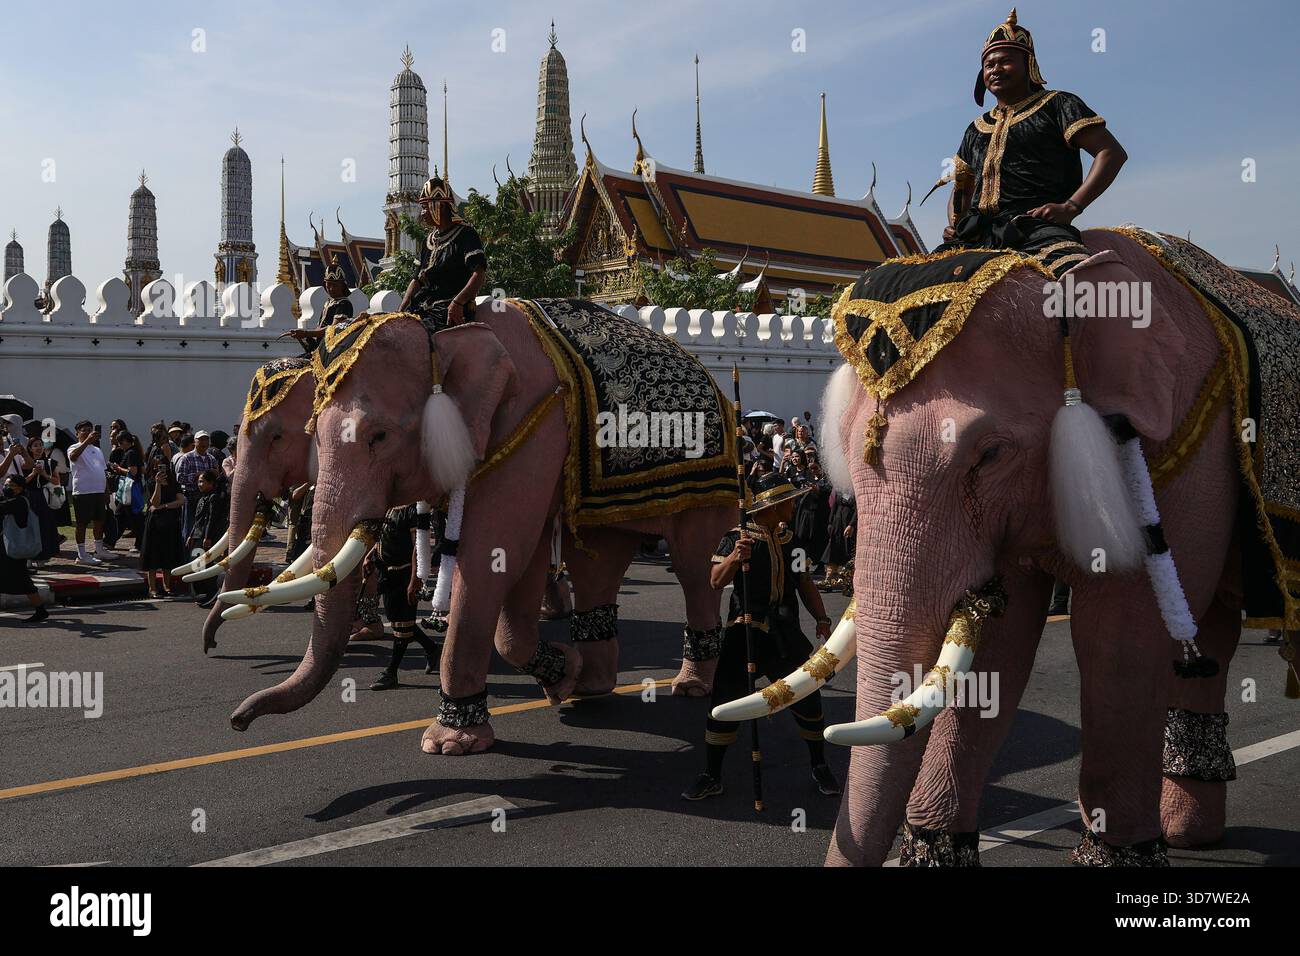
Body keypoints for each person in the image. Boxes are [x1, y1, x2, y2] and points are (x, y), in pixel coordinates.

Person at [930, 8, 1127, 278]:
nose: (996, 69)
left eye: (1005, 61)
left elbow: (1111, 152)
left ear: (1028, 64)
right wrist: (956, 223)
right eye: (989, 65)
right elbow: (963, 185)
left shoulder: (1058, 105)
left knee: (1086, 283)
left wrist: (1071, 206)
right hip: (975, 235)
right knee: (908, 286)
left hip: (1036, 228)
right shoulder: (975, 128)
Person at [682, 473, 840, 801]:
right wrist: (734, 558)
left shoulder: (791, 541)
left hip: (786, 635)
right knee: (725, 702)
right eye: (789, 501)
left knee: (807, 696)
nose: (794, 505)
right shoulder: (737, 538)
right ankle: (712, 774)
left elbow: (805, 584)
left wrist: (822, 618)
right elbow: (714, 580)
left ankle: (819, 765)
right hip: (746, 634)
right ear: (772, 505)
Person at [398, 175, 487, 330]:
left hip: (449, 307)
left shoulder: (465, 234)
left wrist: (457, 303)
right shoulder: (428, 241)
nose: (423, 213)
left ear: (441, 206)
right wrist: (400, 309)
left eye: (426, 207)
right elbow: (417, 280)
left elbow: (479, 274)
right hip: (422, 306)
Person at [368, 502, 440, 691]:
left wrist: (414, 580)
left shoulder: (413, 511)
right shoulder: (390, 506)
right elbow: (382, 537)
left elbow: (419, 546)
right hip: (387, 574)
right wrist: (371, 556)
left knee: (402, 626)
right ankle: (432, 649)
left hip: (404, 575)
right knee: (398, 621)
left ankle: (391, 673)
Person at [0, 474, 48, 623]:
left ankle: (41, 610)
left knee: (23, 581)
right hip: (8, 547)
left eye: (11, 485)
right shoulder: (12, 500)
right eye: (6, 485)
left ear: (20, 488)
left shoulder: (19, 502)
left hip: (14, 548)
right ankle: (41, 610)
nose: (7, 488)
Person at [281, 255, 354, 350]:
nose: (331, 289)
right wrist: (302, 336)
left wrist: (306, 333)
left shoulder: (344, 304)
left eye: (335, 286)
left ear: (342, 286)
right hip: (322, 346)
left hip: (334, 348)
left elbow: (333, 329)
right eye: (328, 285)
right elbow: (320, 329)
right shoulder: (328, 303)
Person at [139, 460, 186, 599]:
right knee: (153, 556)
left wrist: (164, 507)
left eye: (163, 467)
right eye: (157, 467)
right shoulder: (150, 483)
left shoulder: (174, 483)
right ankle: (152, 588)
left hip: (170, 522)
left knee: (168, 555)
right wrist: (158, 484)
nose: (161, 470)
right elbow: (154, 502)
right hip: (155, 524)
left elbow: (181, 501)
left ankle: (167, 586)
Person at [67, 420, 109, 565]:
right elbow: (73, 457)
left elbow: (102, 470)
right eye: (84, 430)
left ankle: (99, 550)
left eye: (89, 430)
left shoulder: (97, 450)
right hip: (83, 491)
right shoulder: (74, 447)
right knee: (82, 523)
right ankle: (81, 554)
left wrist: (106, 491)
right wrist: (87, 442)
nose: (87, 432)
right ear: (77, 433)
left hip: (98, 490)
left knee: (99, 521)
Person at [187, 470, 229, 608]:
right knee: (196, 565)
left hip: (206, 537)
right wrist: (191, 535)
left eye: (202, 481)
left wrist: (208, 537)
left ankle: (210, 593)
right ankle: (199, 592)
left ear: (211, 483)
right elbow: (197, 519)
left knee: (207, 566)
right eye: (199, 481)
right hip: (197, 536)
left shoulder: (214, 498)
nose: (200, 484)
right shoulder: (202, 498)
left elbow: (211, 519)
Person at [21, 436, 63, 563]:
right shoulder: (25, 463)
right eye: (35, 445)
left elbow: (57, 481)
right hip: (28, 496)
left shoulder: (50, 462)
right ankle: (29, 557)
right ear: (30, 448)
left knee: (44, 526)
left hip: (43, 497)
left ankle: (43, 556)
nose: (38, 448)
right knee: (30, 526)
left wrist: (44, 474)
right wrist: (33, 473)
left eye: (40, 445)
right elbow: (22, 482)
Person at [175, 431, 217, 540]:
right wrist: (196, 475)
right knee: (189, 527)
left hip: (207, 497)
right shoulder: (186, 458)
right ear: (195, 442)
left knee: (204, 525)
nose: (204, 442)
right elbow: (180, 478)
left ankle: (201, 550)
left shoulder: (211, 458)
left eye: (206, 440)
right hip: (192, 496)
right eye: (201, 440)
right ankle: (188, 553)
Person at [820, 489, 856, 593]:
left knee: (848, 552)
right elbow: (834, 507)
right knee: (833, 550)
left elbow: (858, 510)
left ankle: (848, 582)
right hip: (837, 523)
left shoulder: (855, 491)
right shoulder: (840, 490)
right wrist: (830, 523)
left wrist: (851, 525)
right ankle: (828, 580)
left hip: (848, 524)